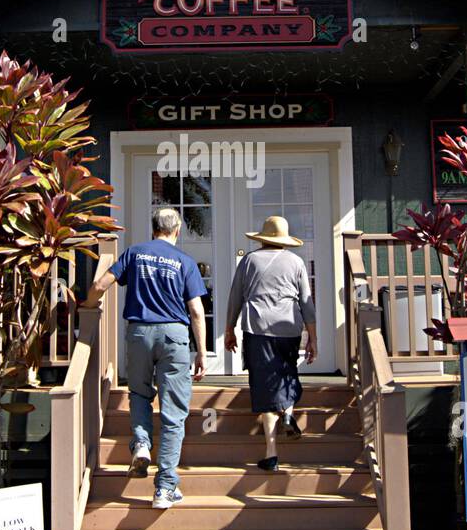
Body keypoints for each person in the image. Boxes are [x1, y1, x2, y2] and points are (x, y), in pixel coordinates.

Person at [83, 207, 208, 509]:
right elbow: (196, 311)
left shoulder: (135, 253)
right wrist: (201, 351)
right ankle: (164, 487)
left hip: (139, 334)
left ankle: (141, 444)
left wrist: (86, 306)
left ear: (153, 228)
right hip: (174, 338)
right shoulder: (185, 262)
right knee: (173, 412)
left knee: (139, 393)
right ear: (177, 229)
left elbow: (101, 285)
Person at [223, 215, 316, 472]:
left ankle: (271, 453)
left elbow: (235, 298)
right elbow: (306, 302)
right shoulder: (296, 262)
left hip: (258, 328)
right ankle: (287, 414)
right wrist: (313, 338)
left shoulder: (250, 260)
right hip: (289, 327)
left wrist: (229, 328)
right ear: (284, 239)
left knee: (264, 386)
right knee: (286, 374)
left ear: (262, 238)